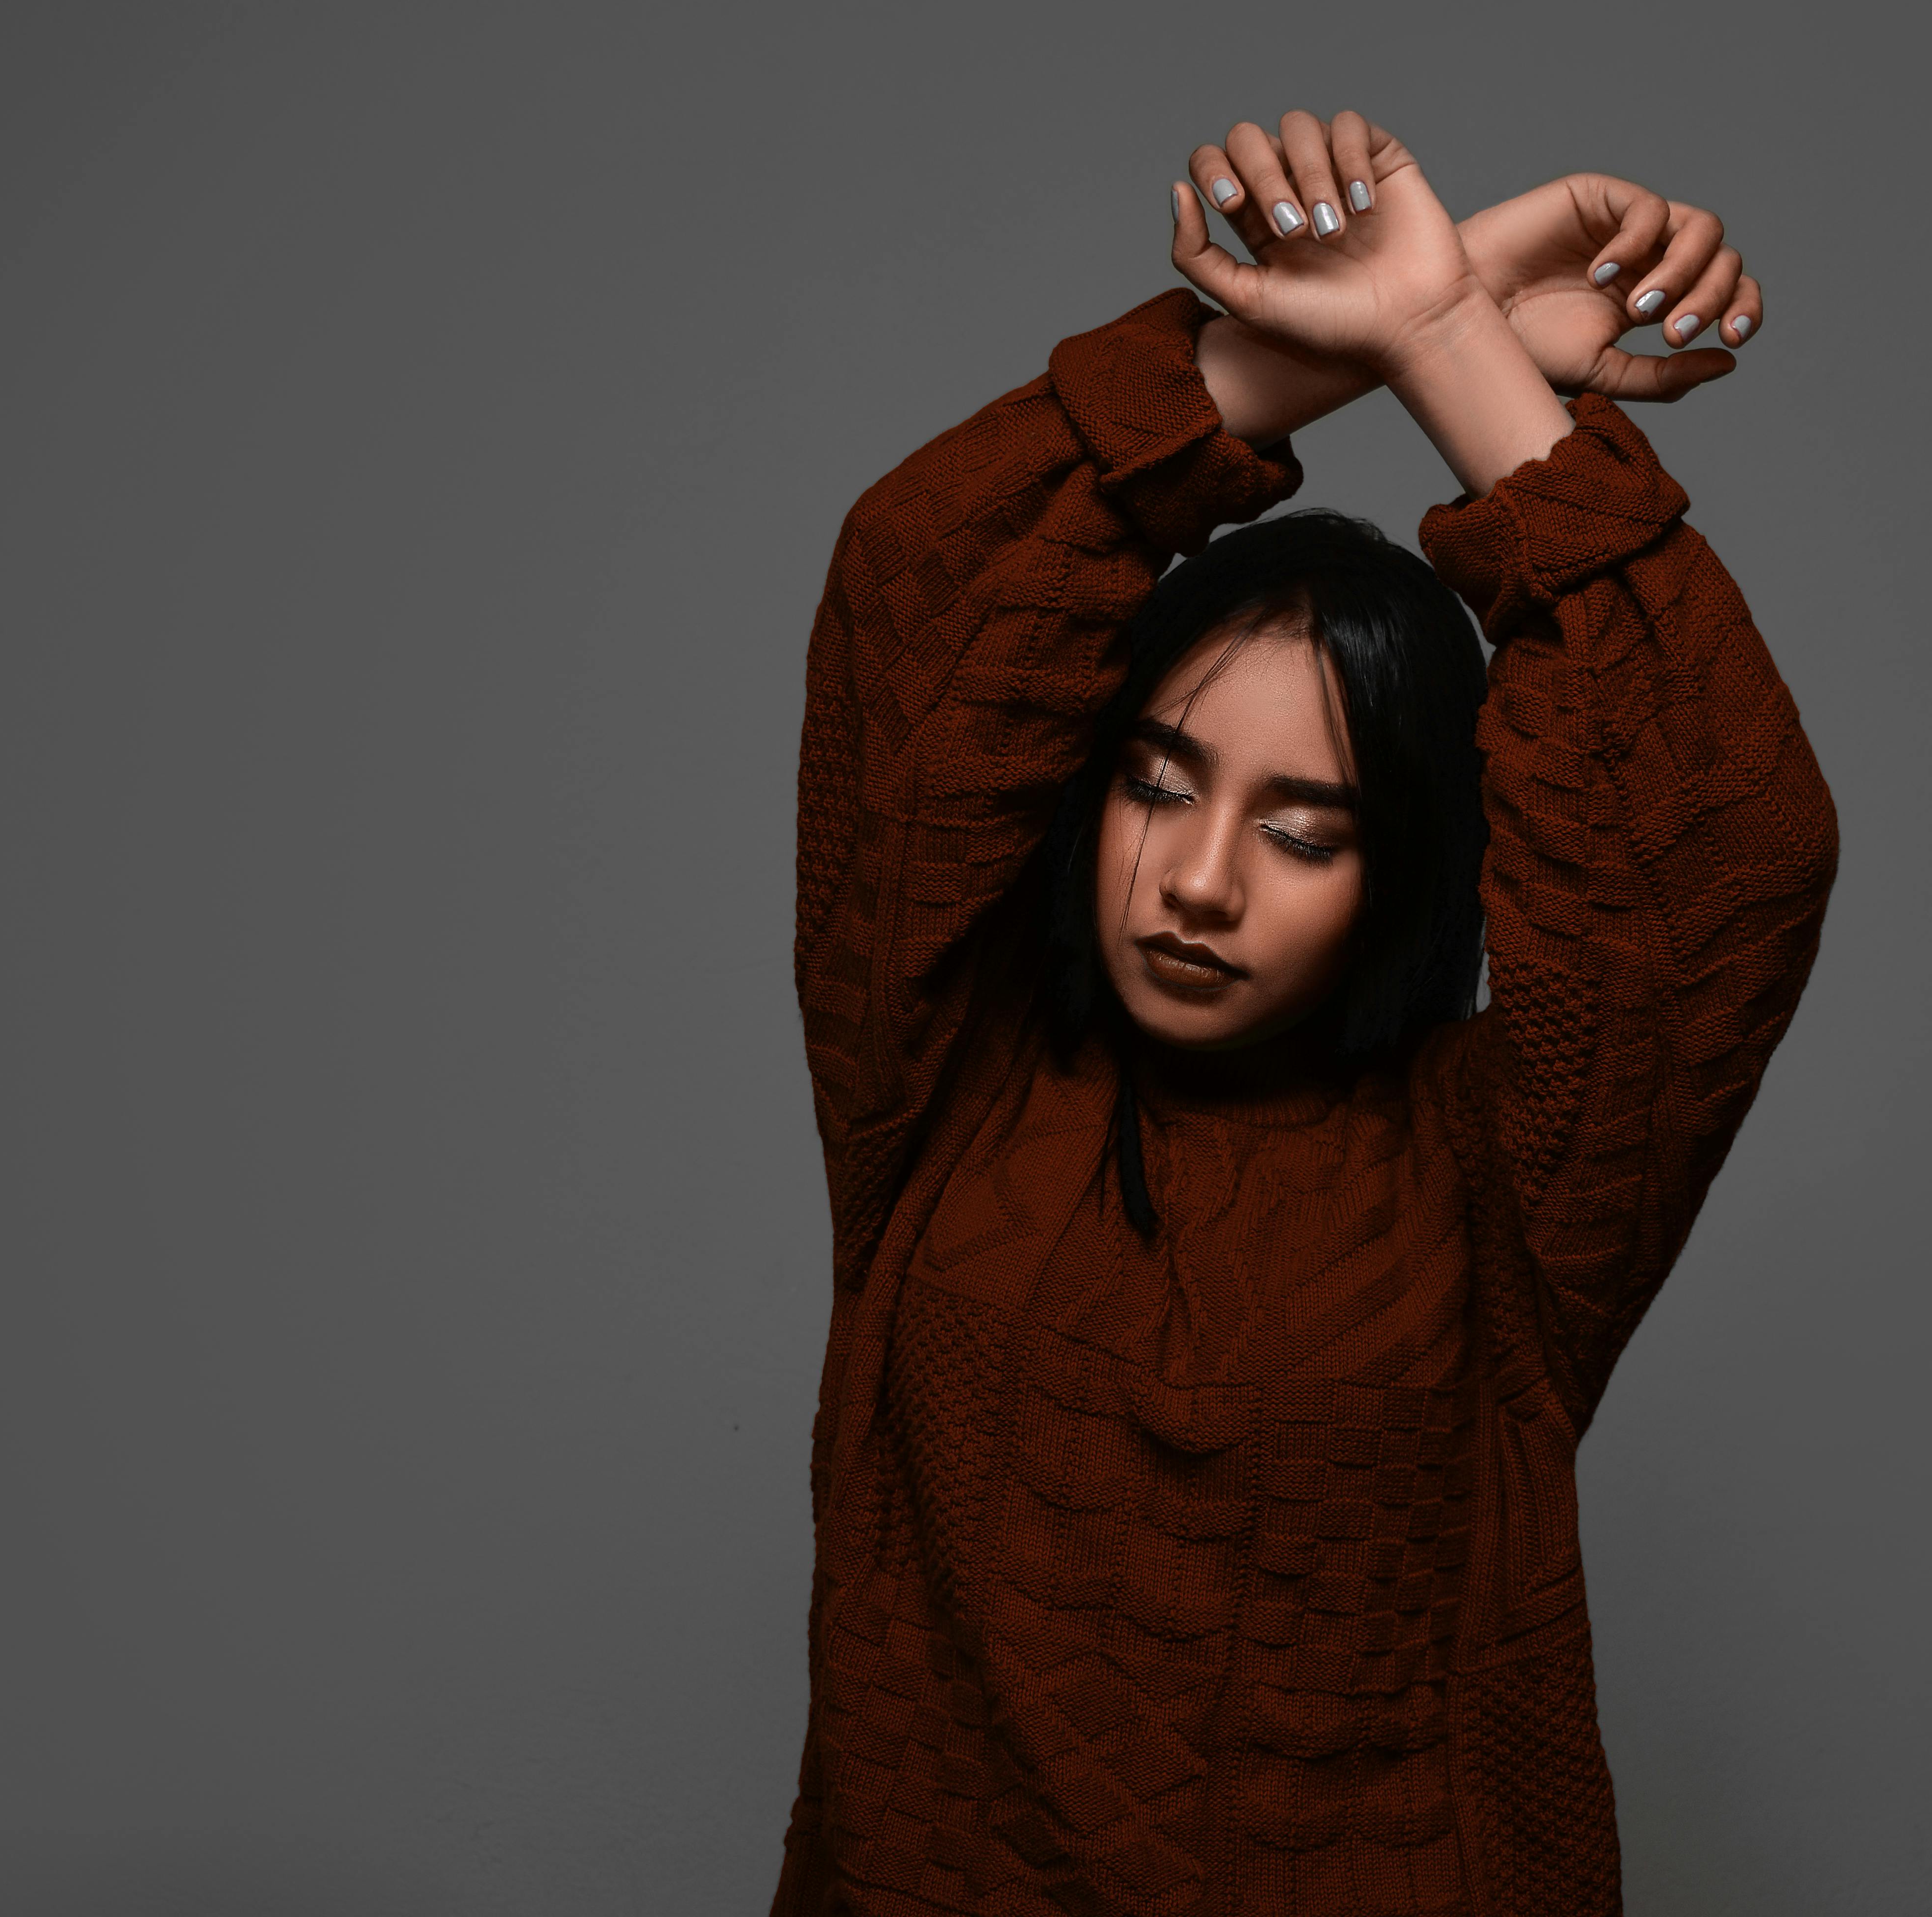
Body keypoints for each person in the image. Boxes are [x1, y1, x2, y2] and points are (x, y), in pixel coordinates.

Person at [778, 107, 1837, 1917]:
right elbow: (916, 588)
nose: (1196, 883)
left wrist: (1449, 358)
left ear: (1407, 873)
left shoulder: (1504, 1196)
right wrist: (1329, 340)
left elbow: (1722, 858)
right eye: (1162, 781)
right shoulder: (943, 1079)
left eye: (1305, 828)